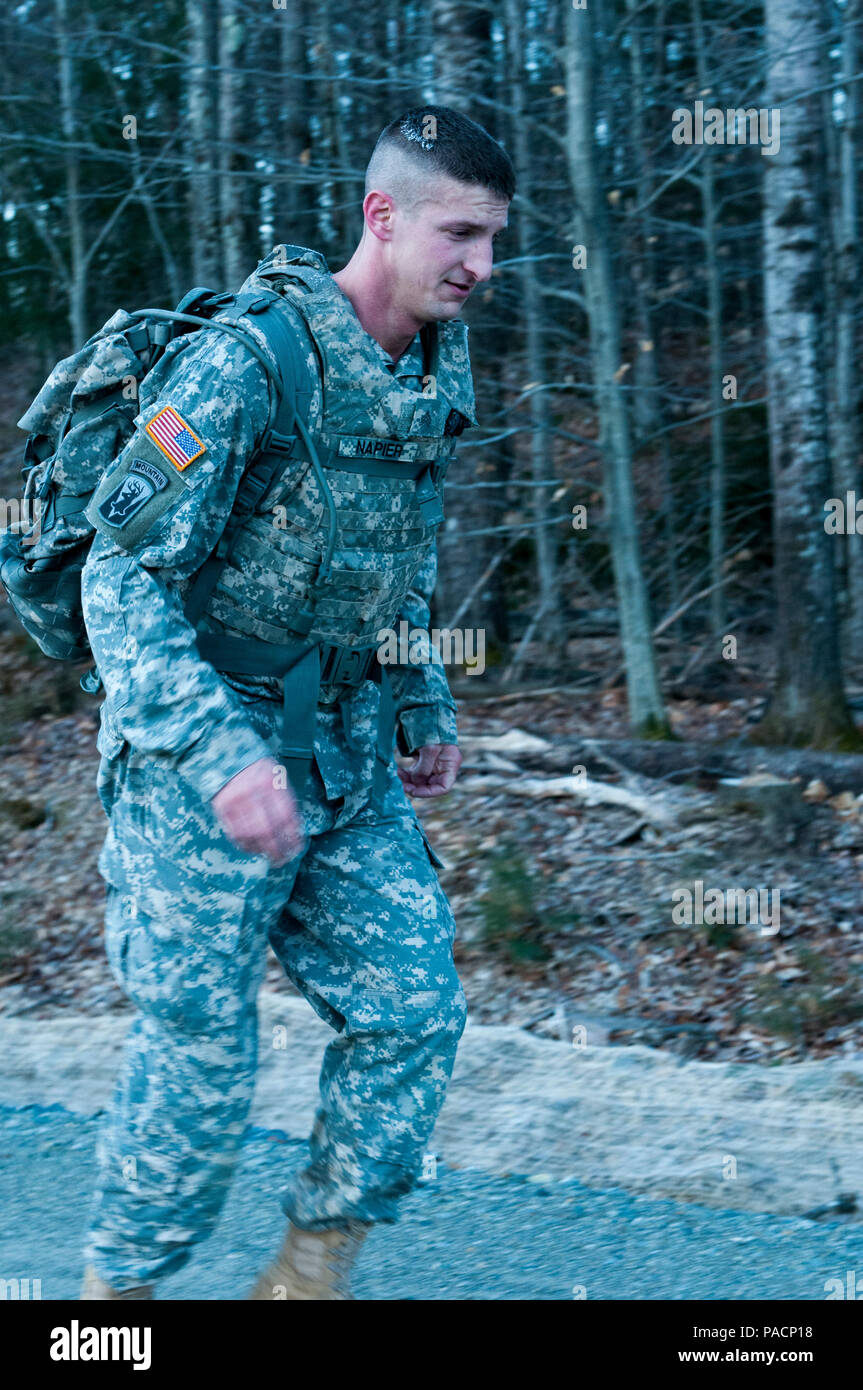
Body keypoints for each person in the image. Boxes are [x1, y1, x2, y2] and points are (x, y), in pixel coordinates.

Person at [78, 104, 514, 1300]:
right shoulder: (247, 358)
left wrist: (420, 694)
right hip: (197, 768)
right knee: (201, 1079)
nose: (480, 265)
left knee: (415, 1013)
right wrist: (222, 754)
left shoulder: (431, 353)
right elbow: (115, 575)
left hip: (346, 753)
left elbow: (401, 546)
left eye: (492, 238)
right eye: (459, 233)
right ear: (382, 217)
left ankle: (302, 1283)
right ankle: (106, 1313)